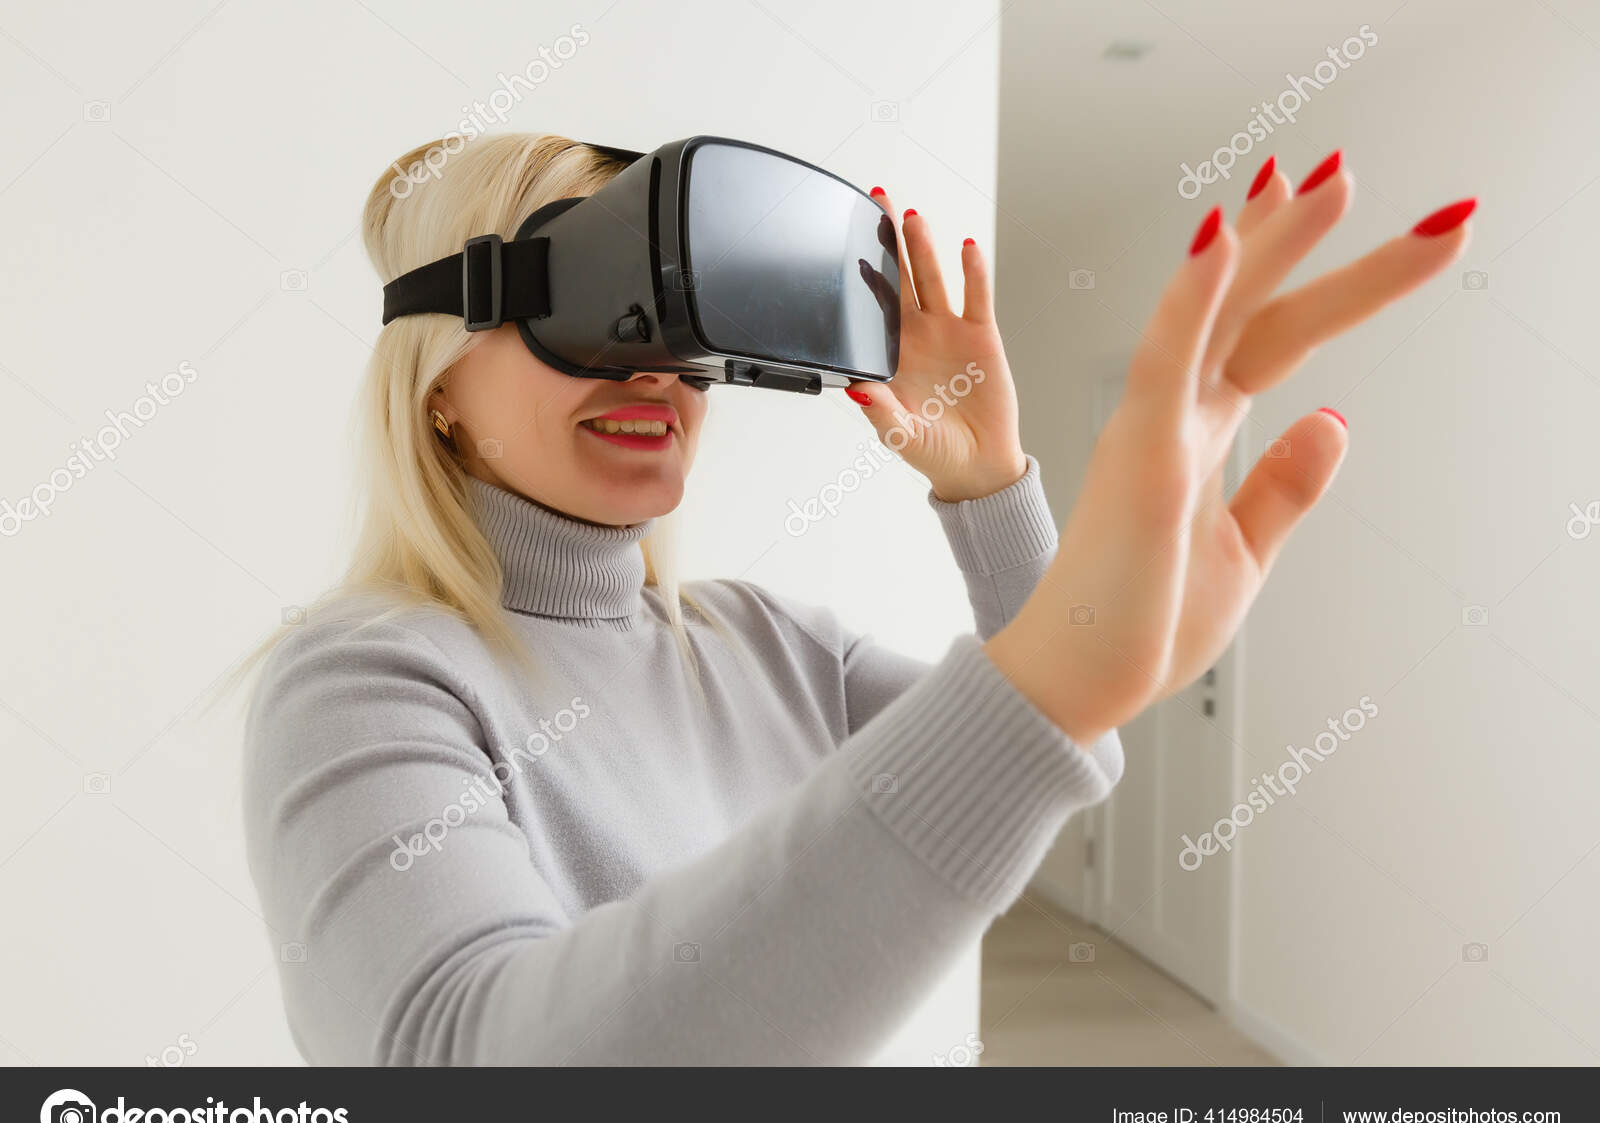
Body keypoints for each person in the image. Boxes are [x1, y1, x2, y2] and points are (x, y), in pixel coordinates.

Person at [242, 135, 1473, 1064]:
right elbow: (465, 1071)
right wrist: (1053, 678)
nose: (659, 369)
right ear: (434, 381)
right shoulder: (360, 682)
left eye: (680, 323)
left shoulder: (772, 645)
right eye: (593, 298)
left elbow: (1041, 743)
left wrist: (993, 489)